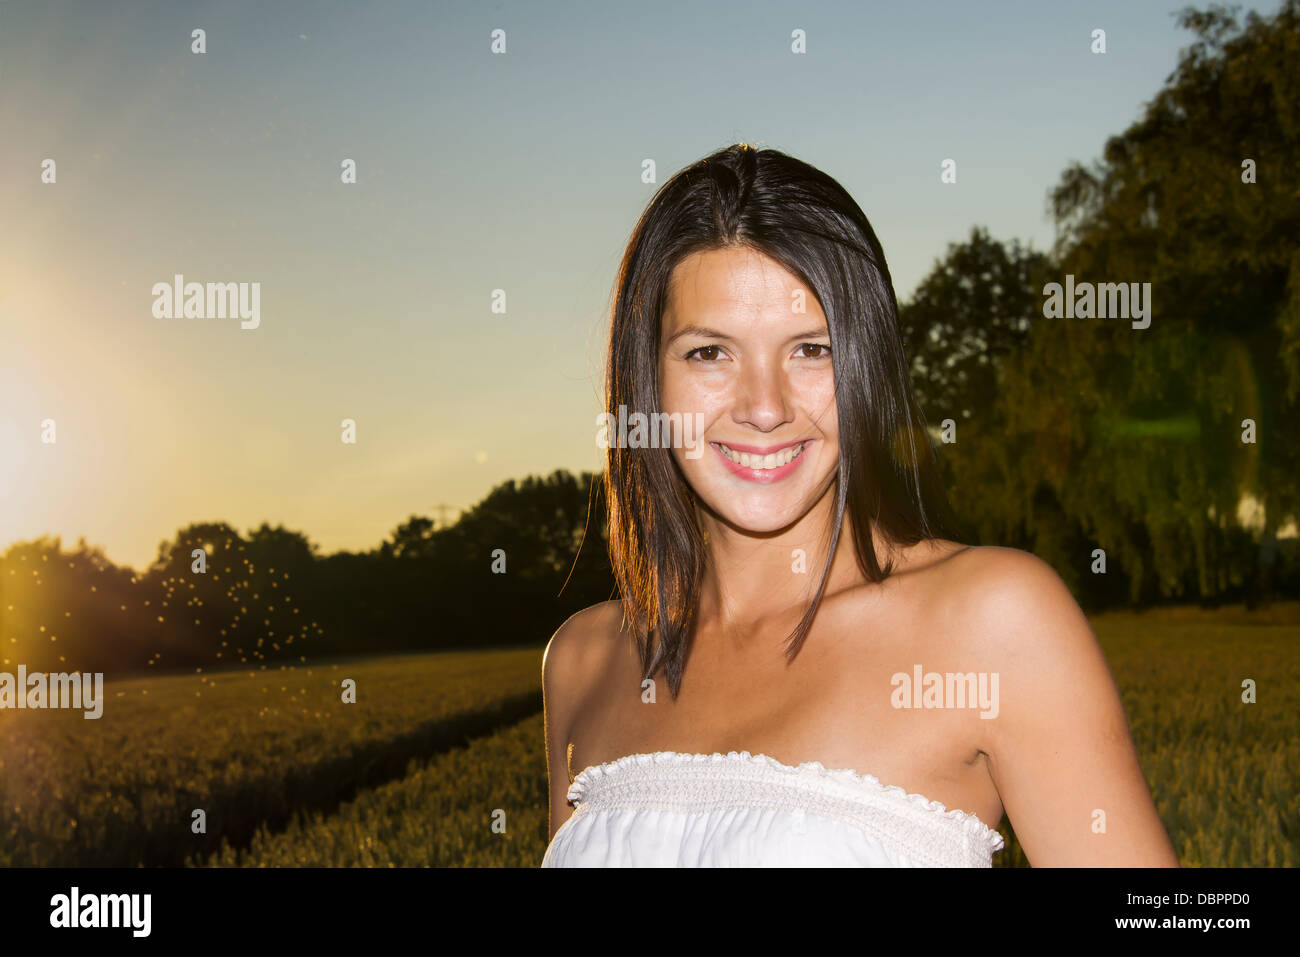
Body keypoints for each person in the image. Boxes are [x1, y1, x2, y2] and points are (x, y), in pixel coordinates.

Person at [541, 143, 1179, 867]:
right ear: (646, 378)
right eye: (709, 352)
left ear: (866, 365)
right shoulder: (582, 661)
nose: (764, 406)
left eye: (811, 349)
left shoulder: (994, 621)